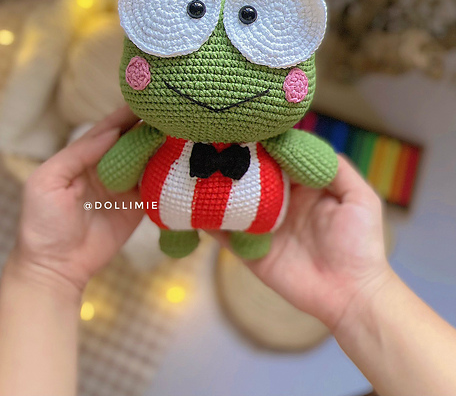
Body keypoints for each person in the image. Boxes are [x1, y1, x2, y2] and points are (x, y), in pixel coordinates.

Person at [0, 107, 455, 396]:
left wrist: (45, 272)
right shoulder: (163, 126)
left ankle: (192, 234)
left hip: (239, 216)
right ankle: (181, 234)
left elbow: (314, 164)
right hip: (185, 210)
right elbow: (116, 175)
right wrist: (362, 291)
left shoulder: (269, 129)